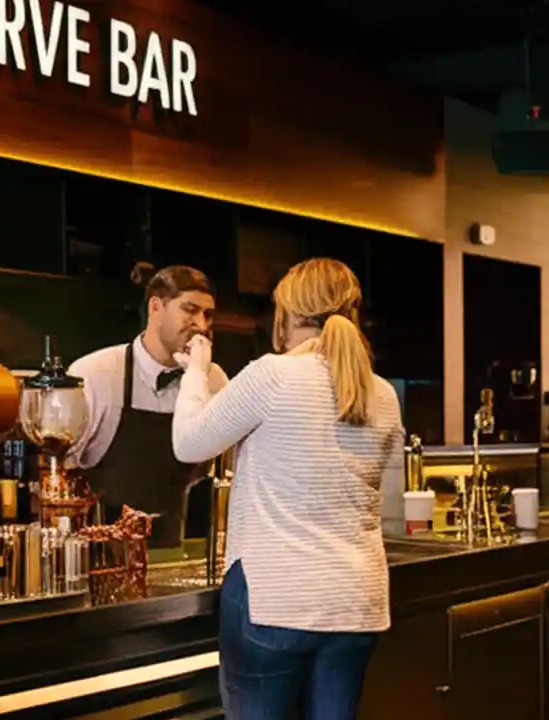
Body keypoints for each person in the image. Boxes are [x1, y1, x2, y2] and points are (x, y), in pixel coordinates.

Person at [171, 258, 403, 719]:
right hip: (356, 605)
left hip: (274, 600)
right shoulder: (383, 394)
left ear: (287, 315)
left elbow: (187, 443)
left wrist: (197, 371)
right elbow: (391, 503)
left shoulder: (272, 375)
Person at [68, 265, 229, 549]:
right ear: (155, 307)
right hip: (105, 558)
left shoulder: (213, 379)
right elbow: (61, 472)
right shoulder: (95, 373)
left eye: (208, 315)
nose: (201, 325)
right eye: (190, 310)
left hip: (183, 555)